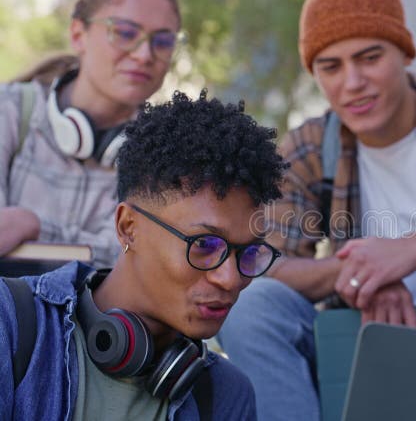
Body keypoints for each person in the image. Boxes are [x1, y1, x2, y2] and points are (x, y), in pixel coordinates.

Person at [216, 0, 416, 419]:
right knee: (253, 307)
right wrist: (360, 271)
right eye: (331, 67)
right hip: (365, 340)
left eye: (369, 58)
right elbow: (262, 263)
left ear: (405, 53)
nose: (352, 82)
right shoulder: (309, 148)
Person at [0, 90, 288, 420]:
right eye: (205, 246)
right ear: (128, 227)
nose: (232, 279)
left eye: (249, 253)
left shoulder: (225, 396)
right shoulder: (11, 326)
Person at [0, 0, 183, 267]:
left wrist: (35, 227)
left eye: (163, 41)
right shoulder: (9, 109)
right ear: (78, 35)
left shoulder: (169, 157)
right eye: (125, 33)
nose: (144, 54)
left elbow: (142, 259)